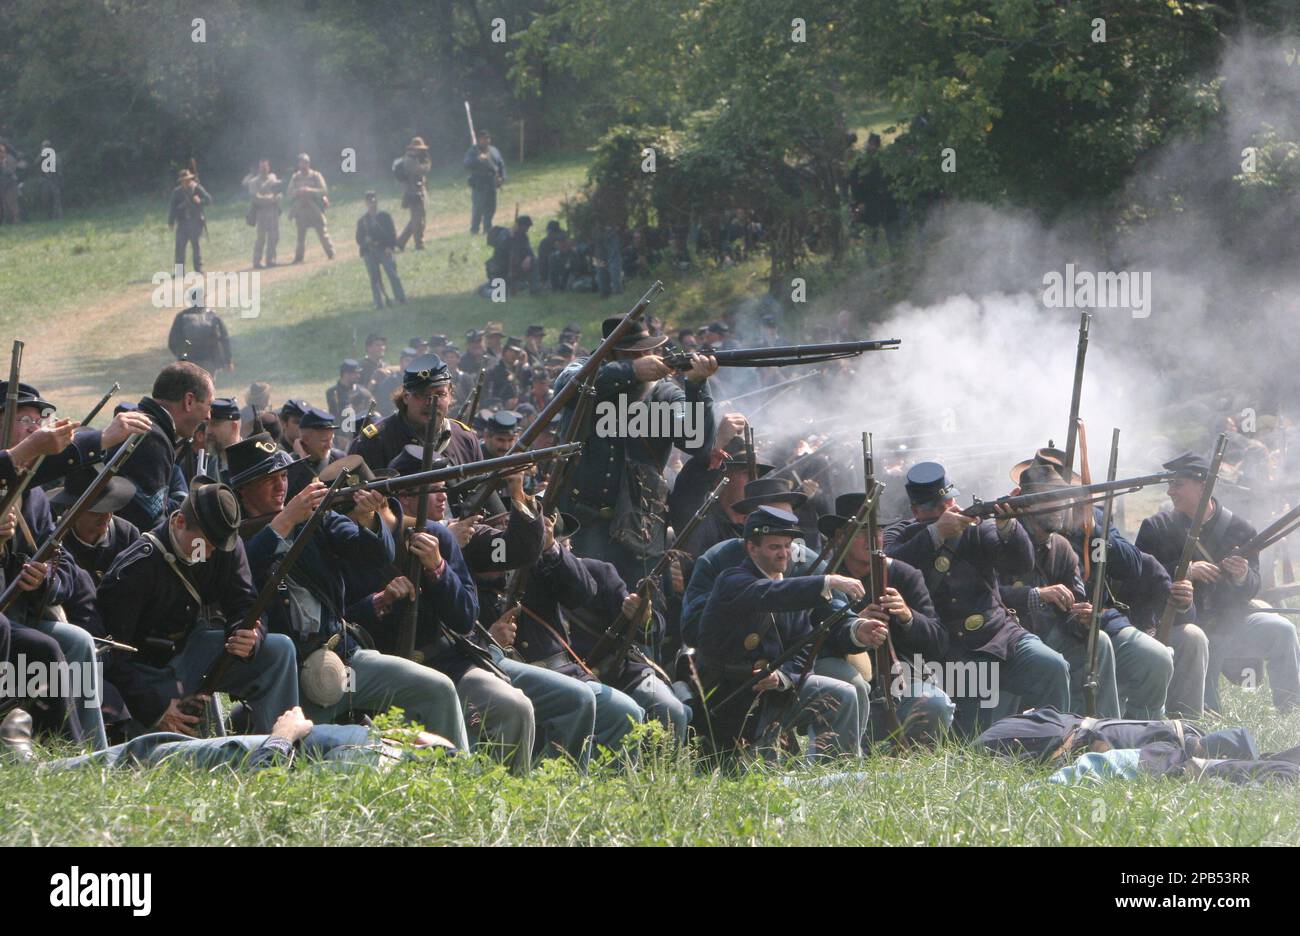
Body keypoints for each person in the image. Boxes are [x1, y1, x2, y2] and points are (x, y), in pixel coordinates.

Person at [229, 433, 470, 749]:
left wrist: (370, 519)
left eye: (284, 476)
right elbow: (242, 572)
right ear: (244, 489)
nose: (281, 487)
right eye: (268, 480)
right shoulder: (233, 539)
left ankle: (455, 776)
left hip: (341, 657)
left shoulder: (316, 519)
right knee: (302, 752)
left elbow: (374, 555)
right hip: (287, 674)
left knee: (436, 688)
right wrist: (285, 521)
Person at [96, 482, 300, 737]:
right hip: (145, 674)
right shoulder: (136, 567)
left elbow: (245, 603)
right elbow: (111, 654)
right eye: (207, 543)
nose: (212, 551)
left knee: (278, 651)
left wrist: (248, 637)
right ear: (180, 522)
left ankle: (281, 745)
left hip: (192, 651)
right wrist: (154, 708)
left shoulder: (221, 541)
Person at [883, 462, 1071, 735]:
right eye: (936, 507)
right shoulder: (901, 534)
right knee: (973, 733)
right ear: (916, 511)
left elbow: (1020, 564)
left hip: (1000, 636)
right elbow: (890, 566)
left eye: (948, 501)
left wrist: (1007, 525)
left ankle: (1056, 741)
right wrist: (936, 533)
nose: (946, 510)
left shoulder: (977, 528)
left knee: (1052, 665)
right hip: (950, 650)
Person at [556, 316, 717, 587]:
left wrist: (698, 385)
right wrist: (631, 371)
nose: (646, 356)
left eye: (647, 351)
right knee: (580, 602)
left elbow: (696, 442)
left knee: (643, 609)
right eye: (634, 353)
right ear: (611, 354)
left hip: (640, 525)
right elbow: (566, 388)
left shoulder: (665, 393)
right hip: (580, 519)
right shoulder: (585, 374)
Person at [1137, 451, 1300, 713]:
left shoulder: (1240, 529)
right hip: (1184, 625)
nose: (1170, 492)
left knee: (1282, 630)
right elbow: (1140, 578)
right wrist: (1185, 571)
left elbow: (1253, 586)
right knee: (1201, 646)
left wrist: (1242, 575)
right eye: (1170, 484)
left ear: (1203, 486)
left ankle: (1290, 709)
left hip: (1231, 621)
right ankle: (1203, 728)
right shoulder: (1156, 528)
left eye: (1178, 484)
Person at [697, 507, 865, 759]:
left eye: (787, 546)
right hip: (734, 699)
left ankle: (839, 773)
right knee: (757, 775)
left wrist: (782, 677)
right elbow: (766, 595)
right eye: (774, 547)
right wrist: (826, 582)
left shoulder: (784, 585)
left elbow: (803, 647)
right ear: (752, 548)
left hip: (778, 693)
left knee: (843, 695)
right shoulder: (732, 580)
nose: (784, 553)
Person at [115, 362, 213, 534]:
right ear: (189, 401)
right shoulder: (153, 439)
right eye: (208, 405)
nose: (209, 416)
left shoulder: (148, 429)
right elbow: (151, 520)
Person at [167, 281, 234, 381]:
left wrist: (181, 356)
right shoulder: (213, 316)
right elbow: (225, 339)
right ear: (204, 298)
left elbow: (172, 342)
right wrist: (228, 360)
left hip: (189, 361)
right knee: (208, 386)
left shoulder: (182, 317)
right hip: (210, 361)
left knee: (191, 386)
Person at [356, 192, 406, 309]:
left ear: (377, 201)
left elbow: (392, 234)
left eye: (374, 201)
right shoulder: (362, 221)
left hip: (385, 249)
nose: (372, 204)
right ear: (366, 203)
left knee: (392, 274)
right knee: (374, 278)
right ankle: (378, 303)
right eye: (370, 202)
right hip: (369, 251)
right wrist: (365, 241)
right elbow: (358, 238)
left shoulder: (385, 216)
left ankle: (400, 298)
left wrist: (390, 247)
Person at [286, 153, 334, 263]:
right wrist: (298, 191)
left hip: (315, 209)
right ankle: (299, 258)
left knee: (323, 234)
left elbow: (324, 190)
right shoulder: (295, 178)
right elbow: (289, 193)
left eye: (306, 162)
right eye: (302, 163)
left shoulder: (316, 176)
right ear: (299, 164)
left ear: (309, 163)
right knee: (300, 237)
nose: (304, 165)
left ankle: (331, 253)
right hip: (301, 210)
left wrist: (310, 191)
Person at [168, 169, 212, 274]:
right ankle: (179, 272)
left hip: (195, 222)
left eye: (188, 179)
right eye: (184, 180)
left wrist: (200, 201)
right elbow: (172, 208)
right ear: (181, 181)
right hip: (182, 223)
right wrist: (171, 221)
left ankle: (198, 269)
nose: (187, 181)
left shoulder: (197, 188)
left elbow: (209, 200)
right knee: (179, 248)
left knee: (196, 246)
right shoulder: (176, 192)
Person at [242, 158, 282, 268]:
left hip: (273, 212)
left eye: (266, 167)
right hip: (261, 212)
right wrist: (271, 198)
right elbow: (256, 198)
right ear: (259, 169)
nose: (264, 169)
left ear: (268, 167)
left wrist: (275, 198)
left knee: (274, 236)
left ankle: (270, 259)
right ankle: (257, 261)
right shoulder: (253, 182)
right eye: (262, 167)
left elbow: (278, 192)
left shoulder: (273, 178)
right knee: (261, 238)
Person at [464, 130, 505, 235]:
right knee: (478, 209)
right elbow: (467, 164)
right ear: (478, 140)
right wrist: (478, 159)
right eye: (483, 138)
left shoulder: (494, 150)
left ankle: (487, 229)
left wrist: (502, 178)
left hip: (491, 183)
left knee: (491, 208)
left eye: (487, 138)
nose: (486, 140)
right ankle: (474, 230)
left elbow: (501, 165)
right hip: (479, 184)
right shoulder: (473, 151)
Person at [395, 137, 432, 250]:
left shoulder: (414, 159)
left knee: (416, 219)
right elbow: (421, 170)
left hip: (416, 192)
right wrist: (428, 163)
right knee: (418, 220)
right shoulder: (410, 160)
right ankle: (419, 244)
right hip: (413, 193)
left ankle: (401, 241)